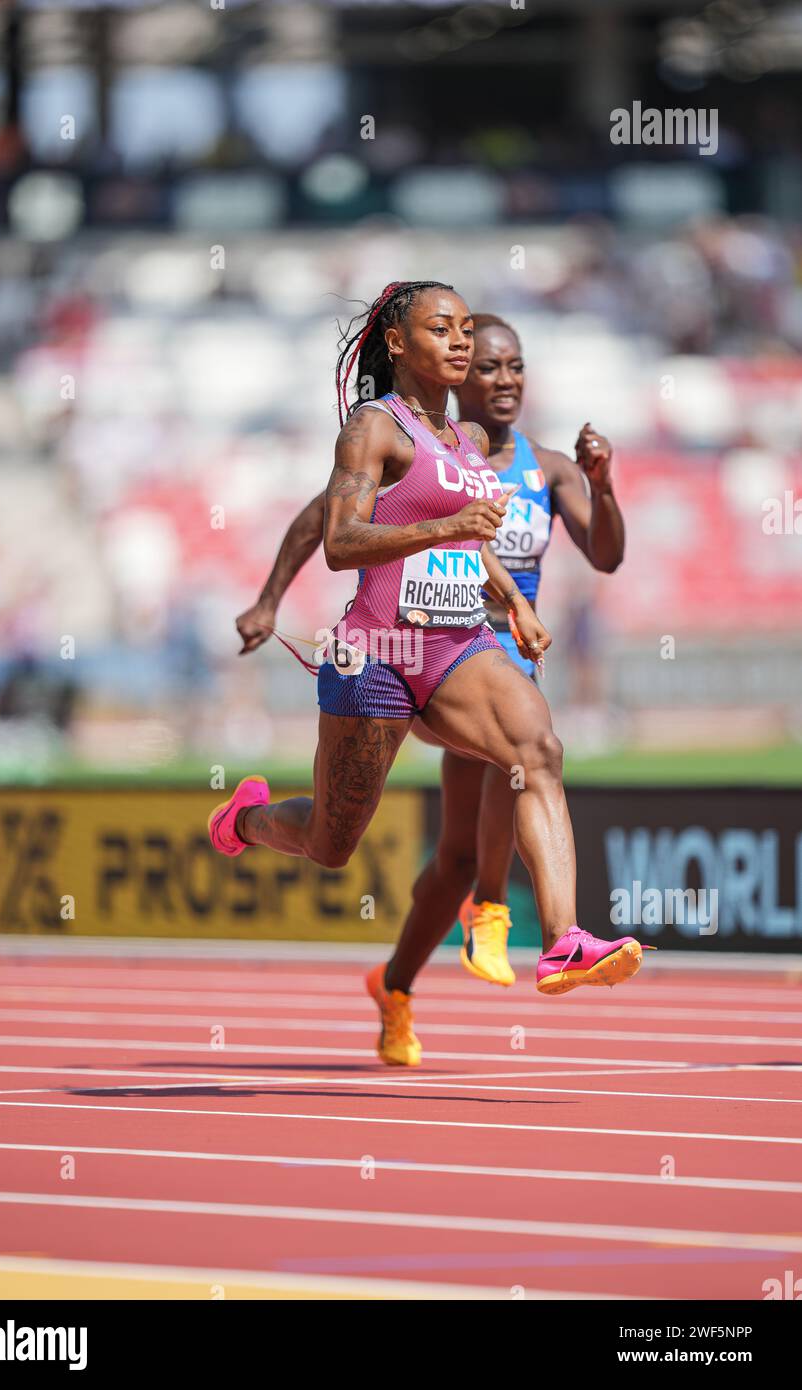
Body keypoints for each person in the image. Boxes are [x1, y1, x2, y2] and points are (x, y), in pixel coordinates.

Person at [215, 280, 643, 1066]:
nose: (458, 341)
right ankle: (244, 819)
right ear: (398, 345)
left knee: (537, 750)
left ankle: (561, 941)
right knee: (330, 841)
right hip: (377, 652)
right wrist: (274, 597)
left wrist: (513, 599)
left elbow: (471, 544)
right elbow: (341, 540)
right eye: (440, 329)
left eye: (463, 329)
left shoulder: (468, 443)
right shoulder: (375, 429)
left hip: (453, 648)